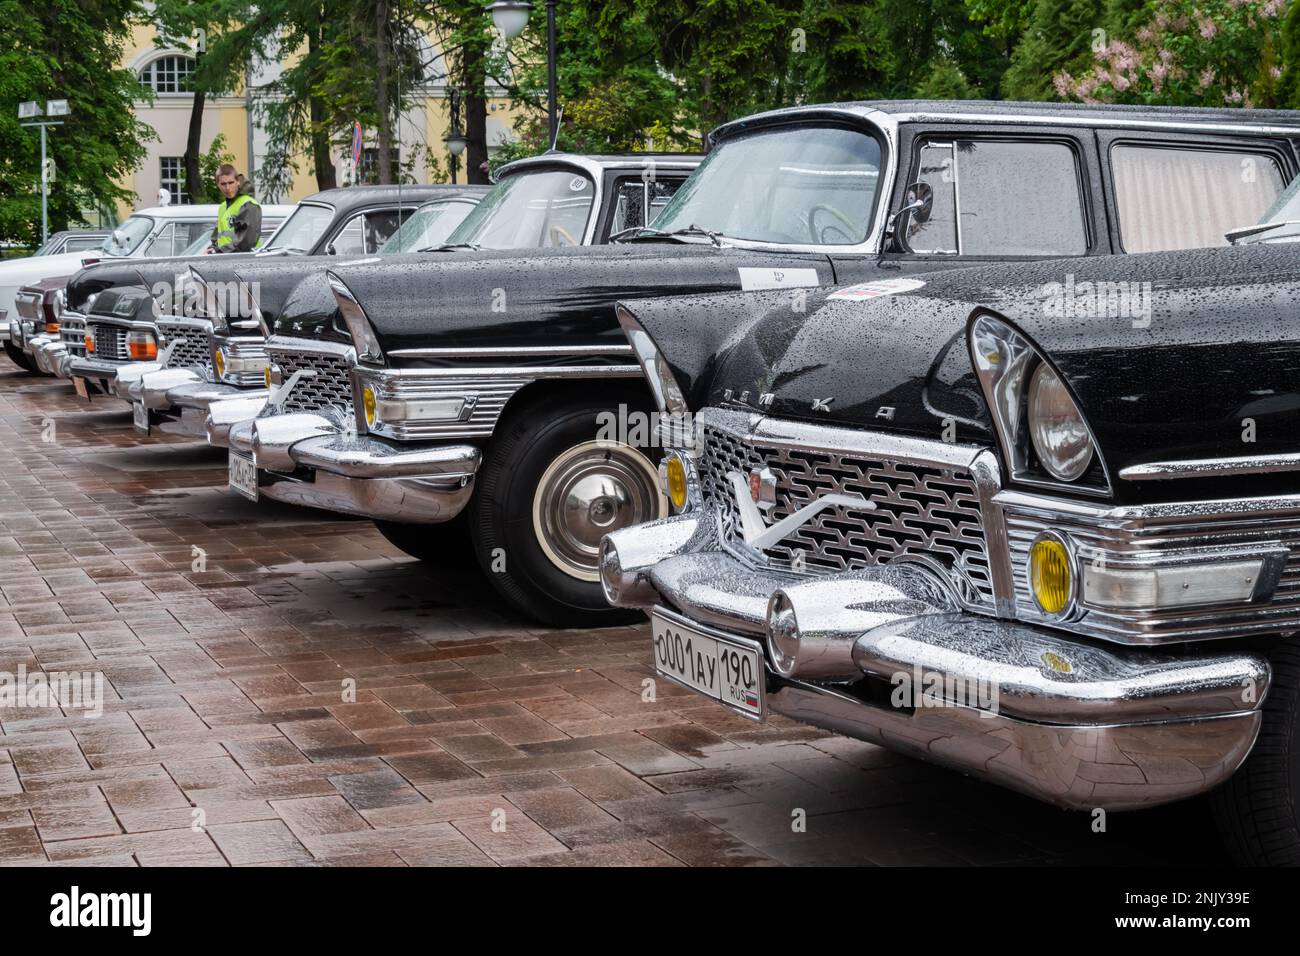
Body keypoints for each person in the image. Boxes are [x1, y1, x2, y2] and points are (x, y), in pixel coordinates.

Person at [208, 164, 261, 253]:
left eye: (231, 182)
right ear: (218, 185)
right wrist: (212, 248)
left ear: (238, 182)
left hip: (246, 261)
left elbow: (246, 242)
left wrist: (218, 251)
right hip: (227, 260)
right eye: (223, 184)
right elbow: (217, 238)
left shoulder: (248, 204)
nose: (228, 188)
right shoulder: (222, 207)